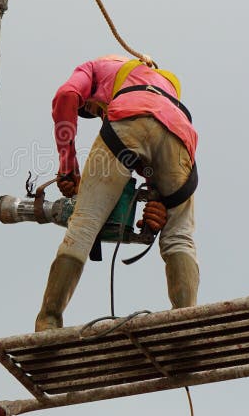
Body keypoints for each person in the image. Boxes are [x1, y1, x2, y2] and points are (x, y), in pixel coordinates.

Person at [35, 54, 199, 331]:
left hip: (126, 122)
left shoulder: (92, 68)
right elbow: (155, 131)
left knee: (83, 226)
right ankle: (187, 324)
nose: (100, 114)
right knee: (179, 236)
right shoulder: (165, 81)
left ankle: (48, 321)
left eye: (96, 111)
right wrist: (157, 200)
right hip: (180, 133)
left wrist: (68, 166)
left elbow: (66, 95)